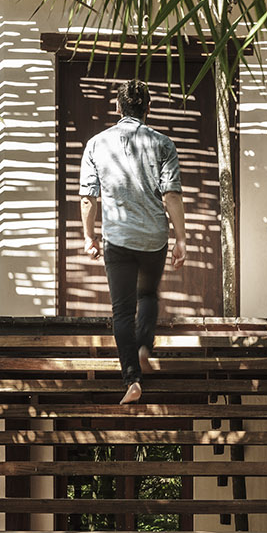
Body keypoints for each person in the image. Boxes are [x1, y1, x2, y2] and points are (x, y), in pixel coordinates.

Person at [79, 80, 186, 404]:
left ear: (118, 108)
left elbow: (88, 198)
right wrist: (181, 238)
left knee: (122, 310)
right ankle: (143, 347)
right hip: (154, 237)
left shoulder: (96, 144)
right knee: (148, 294)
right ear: (148, 109)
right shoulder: (163, 144)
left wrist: (88, 236)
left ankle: (132, 380)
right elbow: (171, 195)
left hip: (118, 239)